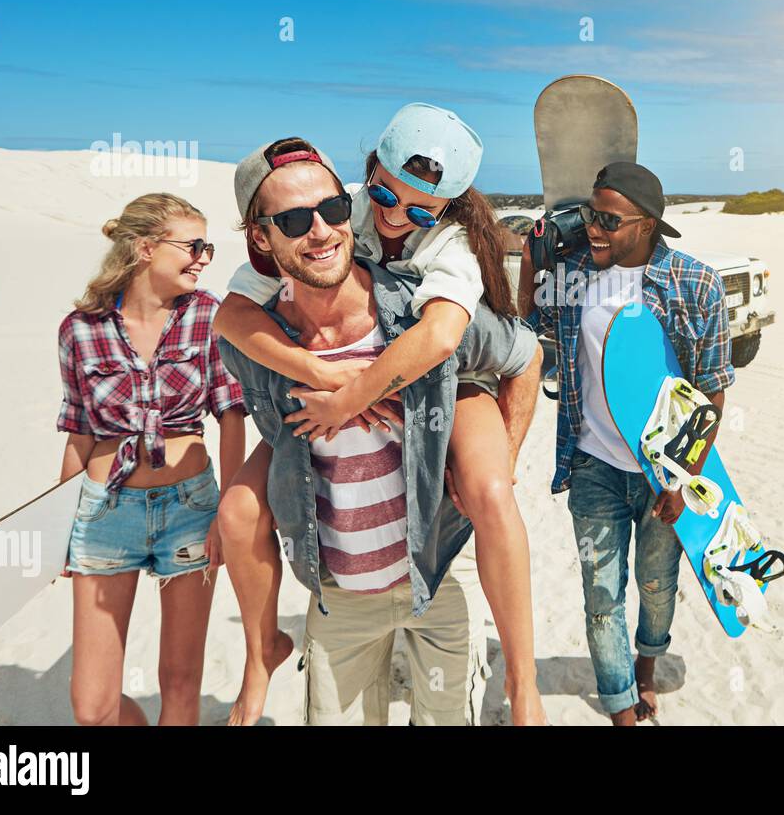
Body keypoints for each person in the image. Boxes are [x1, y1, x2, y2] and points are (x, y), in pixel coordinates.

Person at [216, 137, 543, 725]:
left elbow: (521, 353)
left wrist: (504, 460)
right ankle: (259, 660)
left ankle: (526, 687)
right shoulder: (252, 342)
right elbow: (231, 327)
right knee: (238, 509)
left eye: (333, 209)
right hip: (337, 598)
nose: (320, 230)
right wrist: (312, 375)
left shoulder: (425, 308)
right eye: (293, 220)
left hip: (434, 576)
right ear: (260, 238)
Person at [518, 162, 734, 725]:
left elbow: (711, 393)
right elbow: (526, 318)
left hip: (664, 470)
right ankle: (620, 706)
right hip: (591, 463)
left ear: (648, 224)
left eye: (608, 220)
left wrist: (686, 481)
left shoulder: (697, 283)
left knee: (658, 585)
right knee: (601, 595)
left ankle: (646, 667)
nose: (594, 227)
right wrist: (527, 259)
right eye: (591, 214)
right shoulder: (572, 276)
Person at [56, 192, 246, 726]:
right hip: (103, 516)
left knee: (180, 683)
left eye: (208, 246)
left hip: (190, 510)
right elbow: (77, 430)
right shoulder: (80, 329)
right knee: (91, 708)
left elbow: (232, 415)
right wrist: (57, 528)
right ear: (144, 248)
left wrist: (229, 516)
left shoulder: (210, 315)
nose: (204, 257)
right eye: (193, 245)